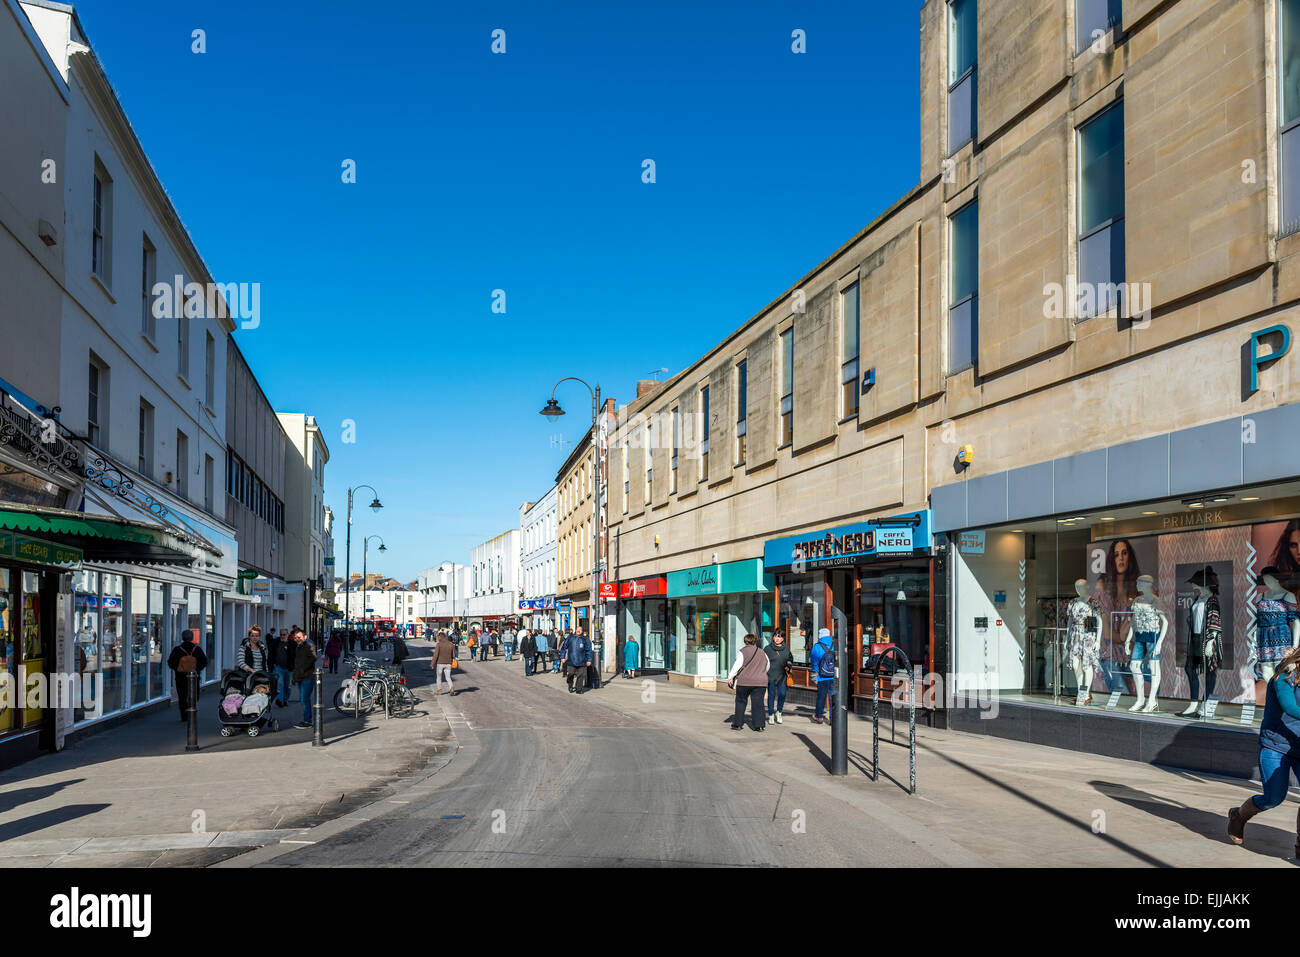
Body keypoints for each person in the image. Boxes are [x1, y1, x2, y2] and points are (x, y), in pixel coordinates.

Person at [1228, 643, 1300, 855]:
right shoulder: (1284, 675)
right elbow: (1290, 706)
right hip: (1276, 745)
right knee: (1273, 797)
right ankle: (1239, 815)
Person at [727, 634, 769, 732]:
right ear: (756, 641)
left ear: (745, 641)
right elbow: (767, 666)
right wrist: (760, 673)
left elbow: (737, 665)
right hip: (760, 682)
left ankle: (738, 724)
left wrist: (730, 677)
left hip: (744, 681)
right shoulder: (763, 652)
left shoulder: (742, 652)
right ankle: (759, 726)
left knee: (741, 701)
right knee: (758, 704)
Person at [167, 628, 208, 722]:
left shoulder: (177, 650)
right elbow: (204, 661)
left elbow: (170, 662)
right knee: (194, 695)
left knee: (182, 696)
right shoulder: (197, 649)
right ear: (192, 638)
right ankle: (191, 712)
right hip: (194, 677)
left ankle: (184, 716)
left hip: (180, 677)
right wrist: (197, 669)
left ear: (182, 638)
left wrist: (178, 669)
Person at [290, 628, 319, 729]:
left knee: (304, 699)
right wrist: (295, 676)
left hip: (308, 677)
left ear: (305, 637)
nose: (297, 639)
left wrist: (302, 669)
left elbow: (314, 657)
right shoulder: (299, 646)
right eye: (296, 637)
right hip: (301, 677)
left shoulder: (308, 644)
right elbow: (297, 663)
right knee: (303, 700)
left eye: (299, 637)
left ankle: (308, 721)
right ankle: (307, 720)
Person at [764, 631, 793, 724]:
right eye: (776, 636)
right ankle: (771, 714)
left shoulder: (786, 648)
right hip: (770, 675)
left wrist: (788, 665)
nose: (777, 639)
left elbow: (790, 659)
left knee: (782, 694)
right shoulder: (767, 649)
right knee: (771, 696)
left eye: (779, 637)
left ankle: (779, 712)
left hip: (782, 676)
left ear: (783, 639)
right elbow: (763, 661)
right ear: (773, 637)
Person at [809, 628, 835, 724]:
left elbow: (814, 662)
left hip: (822, 676)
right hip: (834, 676)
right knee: (834, 697)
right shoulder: (834, 645)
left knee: (821, 697)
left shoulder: (817, 647)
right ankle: (833, 719)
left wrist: (814, 674)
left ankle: (819, 717)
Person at [273, 624, 297, 707]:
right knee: (279, 684)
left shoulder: (293, 644)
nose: (282, 636)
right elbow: (271, 654)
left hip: (289, 668)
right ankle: (280, 700)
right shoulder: (276, 642)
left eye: (284, 634)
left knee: (287, 686)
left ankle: (285, 699)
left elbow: (296, 656)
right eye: (281, 634)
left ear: (288, 635)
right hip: (278, 667)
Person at [563, 628, 593, 693]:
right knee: (570, 674)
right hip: (571, 660)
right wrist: (562, 657)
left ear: (582, 631)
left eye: (580, 630)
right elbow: (564, 647)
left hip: (582, 661)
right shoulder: (570, 638)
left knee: (580, 675)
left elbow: (589, 650)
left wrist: (589, 660)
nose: (578, 631)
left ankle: (578, 689)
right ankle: (570, 686)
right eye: (577, 629)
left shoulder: (585, 639)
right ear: (575, 630)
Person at [432, 631, 457, 695]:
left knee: (439, 677)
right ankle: (451, 688)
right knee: (448, 677)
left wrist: (432, 664)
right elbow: (454, 655)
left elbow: (435, 655)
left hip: (440, 663)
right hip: (448, 663)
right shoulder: (451, 644)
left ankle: (439, 690)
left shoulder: (439, 644)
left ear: (440, 637)